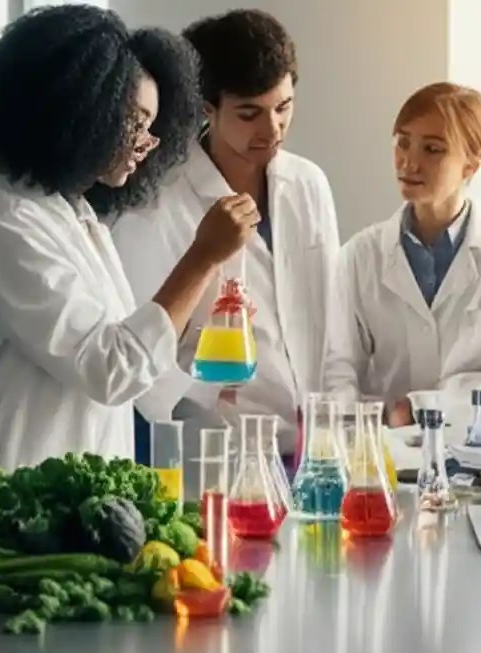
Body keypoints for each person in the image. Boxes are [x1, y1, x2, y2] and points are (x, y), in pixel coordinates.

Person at [0, 6, 258, 498]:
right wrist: (201, 258)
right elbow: (112, 369)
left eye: (153, 123)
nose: (150, 142)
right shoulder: (7, 227)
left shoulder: (74, 215)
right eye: (136, 122)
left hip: (59, 508)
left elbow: (137, 366)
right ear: (78, 112)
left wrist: (203, 329)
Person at [110, 9, 340, 475]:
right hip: (221, 453)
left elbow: (331, 320)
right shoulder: (155, 205)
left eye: (284, 107)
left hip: (315, 449)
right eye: (250, 113)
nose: (272, 129)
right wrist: (211, 386)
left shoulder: (308, 184)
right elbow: (144, 367)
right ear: (206, 109)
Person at [322, 82, 481, 432]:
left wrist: (425, 408)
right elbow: (339, 370)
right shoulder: (359, 255)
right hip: (387, 454)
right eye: (402, 142)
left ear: (473, 161)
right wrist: (367, 429)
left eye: (432, 149)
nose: (409, 161)